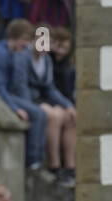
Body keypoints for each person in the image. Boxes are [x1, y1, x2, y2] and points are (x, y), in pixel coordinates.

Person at [0, 21, 47, 183]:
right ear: (18, 38)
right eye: (26, 41)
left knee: (38, 112)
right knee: (38, 114)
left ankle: (35, 160)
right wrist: (15, 108)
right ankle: (33, 162)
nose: (27, 46)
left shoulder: (9, 53)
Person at [24, 35, 75, 186]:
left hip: (45, 99)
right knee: (53, 116)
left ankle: (70, 168)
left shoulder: (46, 60)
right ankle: (54, 166)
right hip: (30, 100)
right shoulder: (23, 57)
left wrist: (68, 105)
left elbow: (50, 88)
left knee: (70, 116)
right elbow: (20, 85)